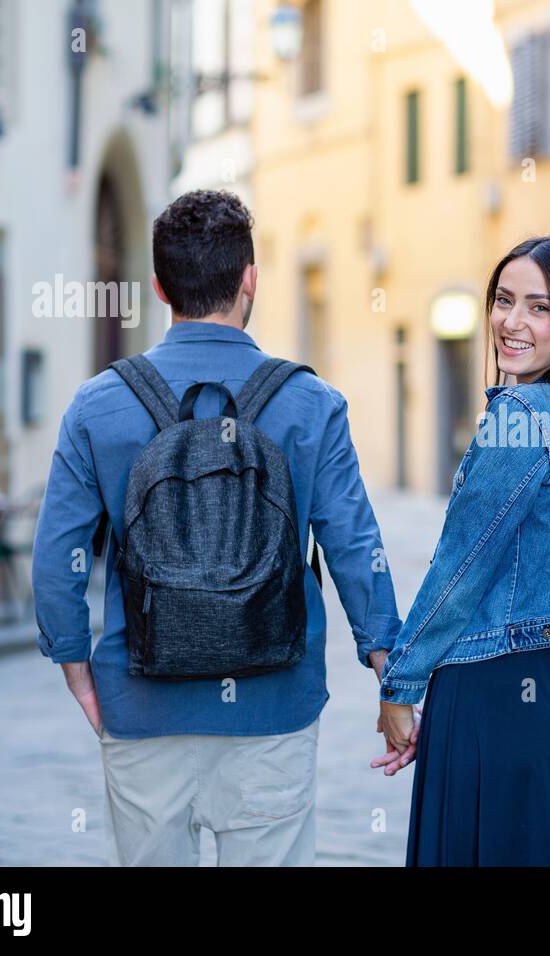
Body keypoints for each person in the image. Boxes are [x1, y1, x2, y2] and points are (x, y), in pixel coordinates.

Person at [32, 189, 405, 866]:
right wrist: (392, 678)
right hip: (273, 707)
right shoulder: (309, 403)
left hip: (142, 703)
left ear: (159, 287)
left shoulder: (98, 405)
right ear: (250, 279)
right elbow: (356, 547)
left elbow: (58, 555)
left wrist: (75, 663)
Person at [372, 235, 550, 866]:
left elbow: (458, 569)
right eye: (504, 302)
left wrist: (400, 685)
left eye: (538, 307)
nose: (511, 322)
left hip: (495, 692)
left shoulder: (521, 419)